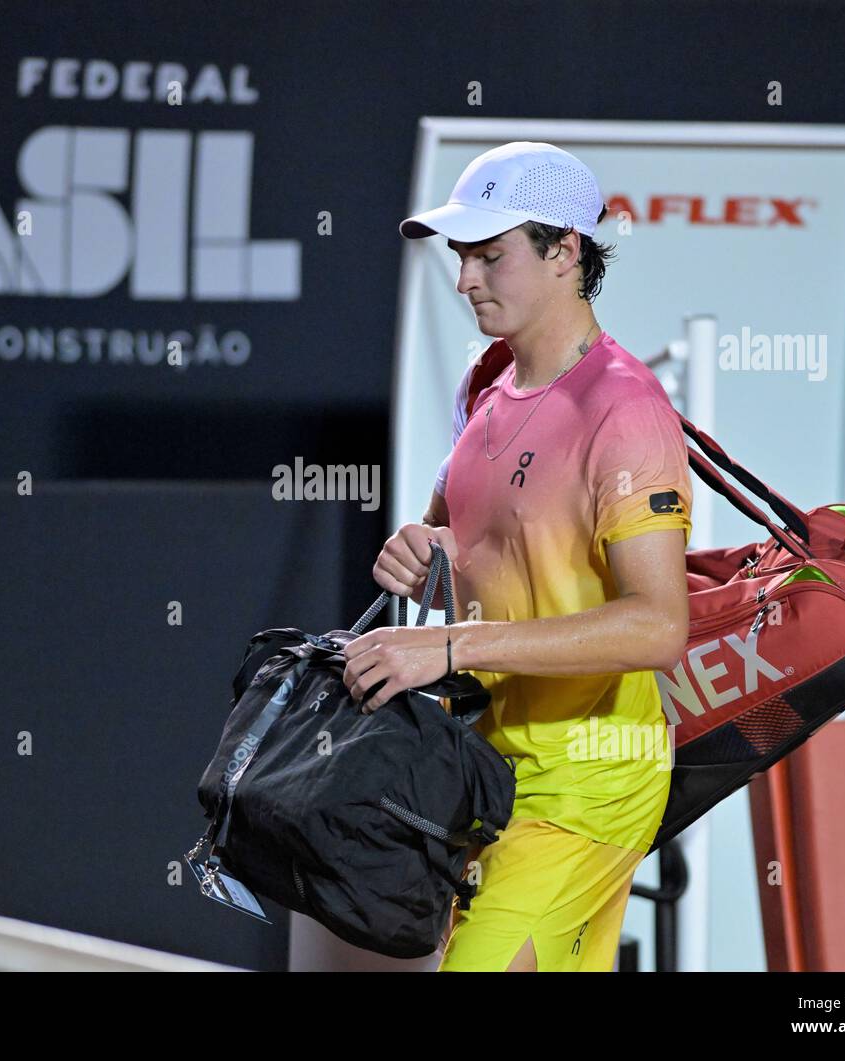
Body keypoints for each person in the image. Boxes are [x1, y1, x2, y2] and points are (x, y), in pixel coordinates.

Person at [341, 142, 691, 972]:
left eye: (490, 255)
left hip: (590, 779)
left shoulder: (625, 410)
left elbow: (658, 625)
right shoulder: (484, 382)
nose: (465, 279)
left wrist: (451, 645)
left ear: (566, 251)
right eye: (461, 256)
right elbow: (462, 548)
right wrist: (423, 554)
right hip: (480, 770)